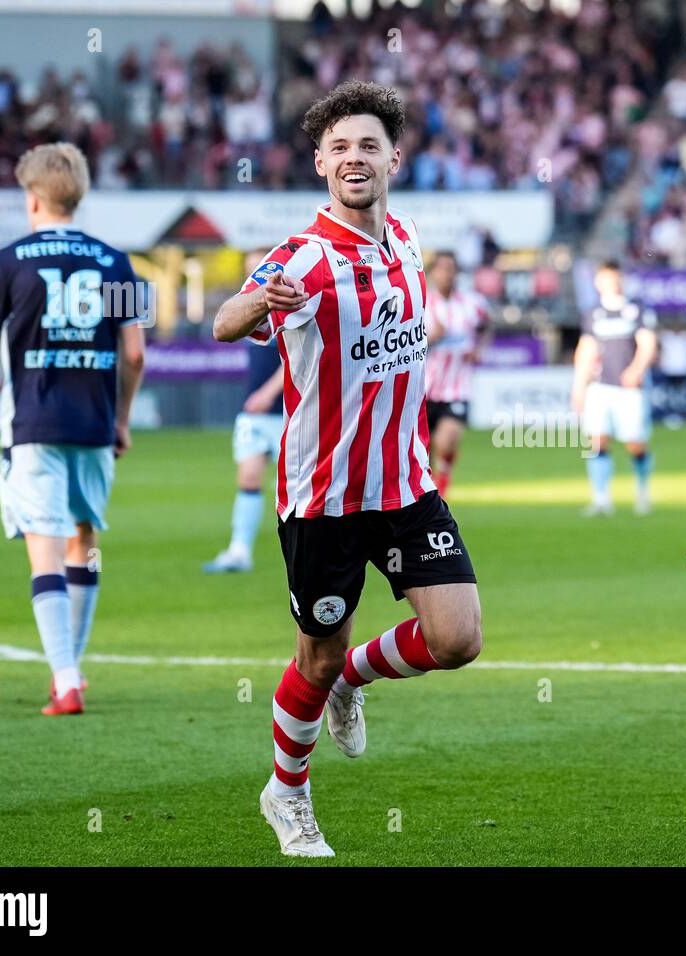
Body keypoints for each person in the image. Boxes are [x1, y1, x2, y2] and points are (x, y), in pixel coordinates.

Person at [213, 80, 483, 859]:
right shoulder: (301, 256)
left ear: (393, 157)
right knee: (315, 654)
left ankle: (352, 682)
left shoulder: (406, 238)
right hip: (323, 496)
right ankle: (286, 793)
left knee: (458, 639)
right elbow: (226, 320)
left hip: (404, 483)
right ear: (321, 164)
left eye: (367, 145)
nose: (353, 158)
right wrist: (261, 301)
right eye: (338, 148)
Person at [0, 143, 147, 716]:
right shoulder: (117, 261)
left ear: (32, 199)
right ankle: (70, 673)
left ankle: (65, 678)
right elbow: (134, 355)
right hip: (94, 424)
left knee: (45, 548)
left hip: (33, 424)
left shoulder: (8, 260)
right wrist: (122, 419)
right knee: (84, 541)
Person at [571, 260, 658, 516]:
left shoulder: (637, 310)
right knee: (596, 441)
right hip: (600, 387)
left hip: (630, 390)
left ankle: (642, 491)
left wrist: (637, 369)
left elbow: (648, 343)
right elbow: (586, 350)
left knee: (635, 443)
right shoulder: (593, 313)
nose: (611, 283)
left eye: (615, 278)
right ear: (598, 283)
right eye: (606, 279)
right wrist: (579, 386)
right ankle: (601, 498)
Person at [203, 332, 283, 573]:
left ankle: (317, 553)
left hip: (291, 410)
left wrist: (267, 393)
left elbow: (295, 358)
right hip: (254, 412)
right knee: (249, 477)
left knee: (300, 488)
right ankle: (240, 551)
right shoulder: (255, 302)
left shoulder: (295, 303)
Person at [422, 249, 490, 498]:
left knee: (446, 441)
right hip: (423, 387)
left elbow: (486, 326)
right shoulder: (420, 303)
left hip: (457, 387)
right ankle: (426, 492)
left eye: (451, 269)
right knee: (422, 448)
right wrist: (431, 338)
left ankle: (444, 483)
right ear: (432, 272)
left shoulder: (473, 304)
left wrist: (479, 349)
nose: (447, 274)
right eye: (442, 269)